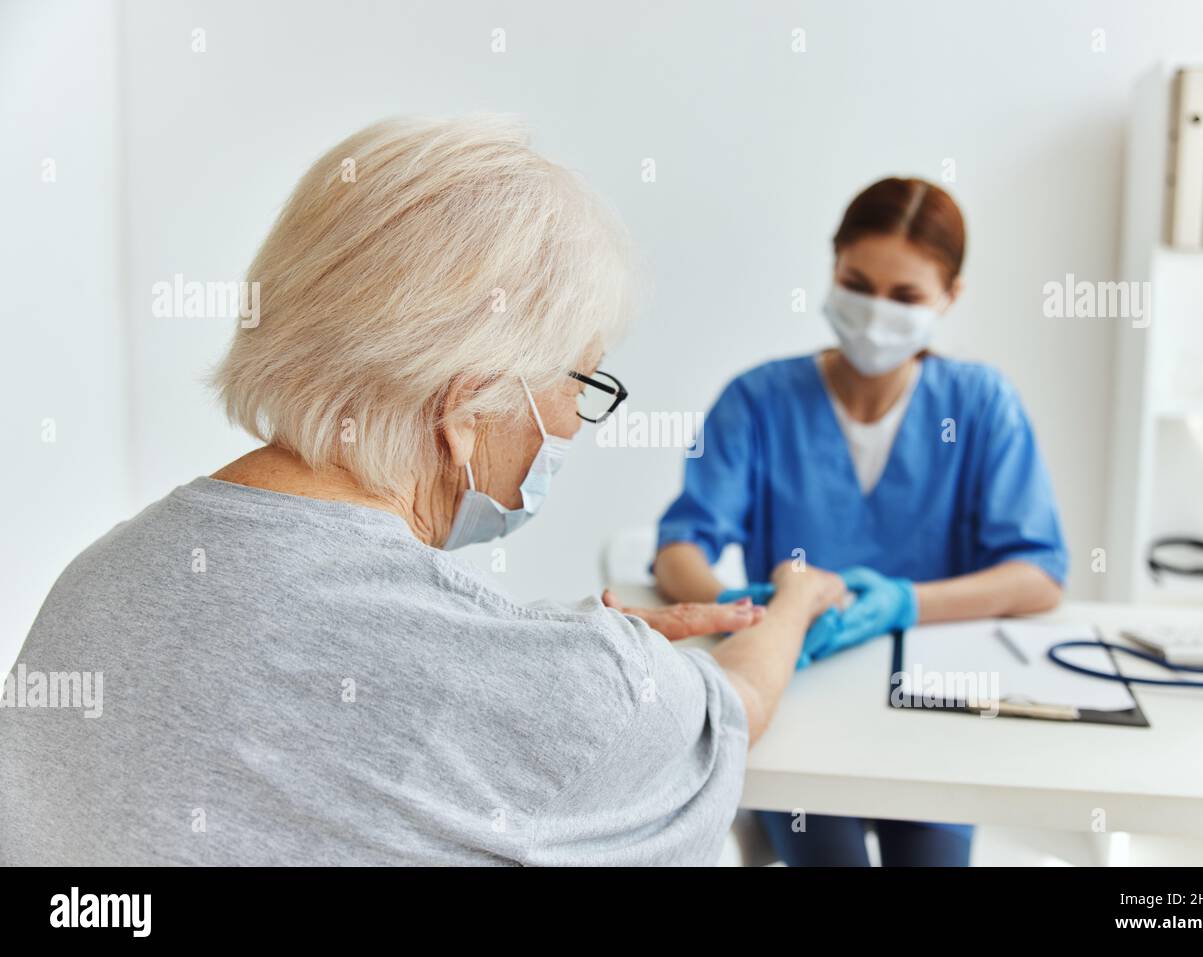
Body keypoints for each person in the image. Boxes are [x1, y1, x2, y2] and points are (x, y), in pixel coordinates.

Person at [0, 116, 849, 866]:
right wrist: (797, 600)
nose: (579, 422)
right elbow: (736, 700)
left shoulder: (96, 579)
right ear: (469, 403)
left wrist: (541, 656)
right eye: (582, 382)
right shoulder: (581, 691)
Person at [653, 177, 1069, 867]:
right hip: (795, 699)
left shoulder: (981, 404)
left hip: (932, 714)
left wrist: (903, 602)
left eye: (905, 296)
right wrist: (745, 610)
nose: (877, 313)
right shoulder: (756, 400)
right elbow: (679, 547)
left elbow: (1038, 574)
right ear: (833, 265)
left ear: (949, 296)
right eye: (858, 282)